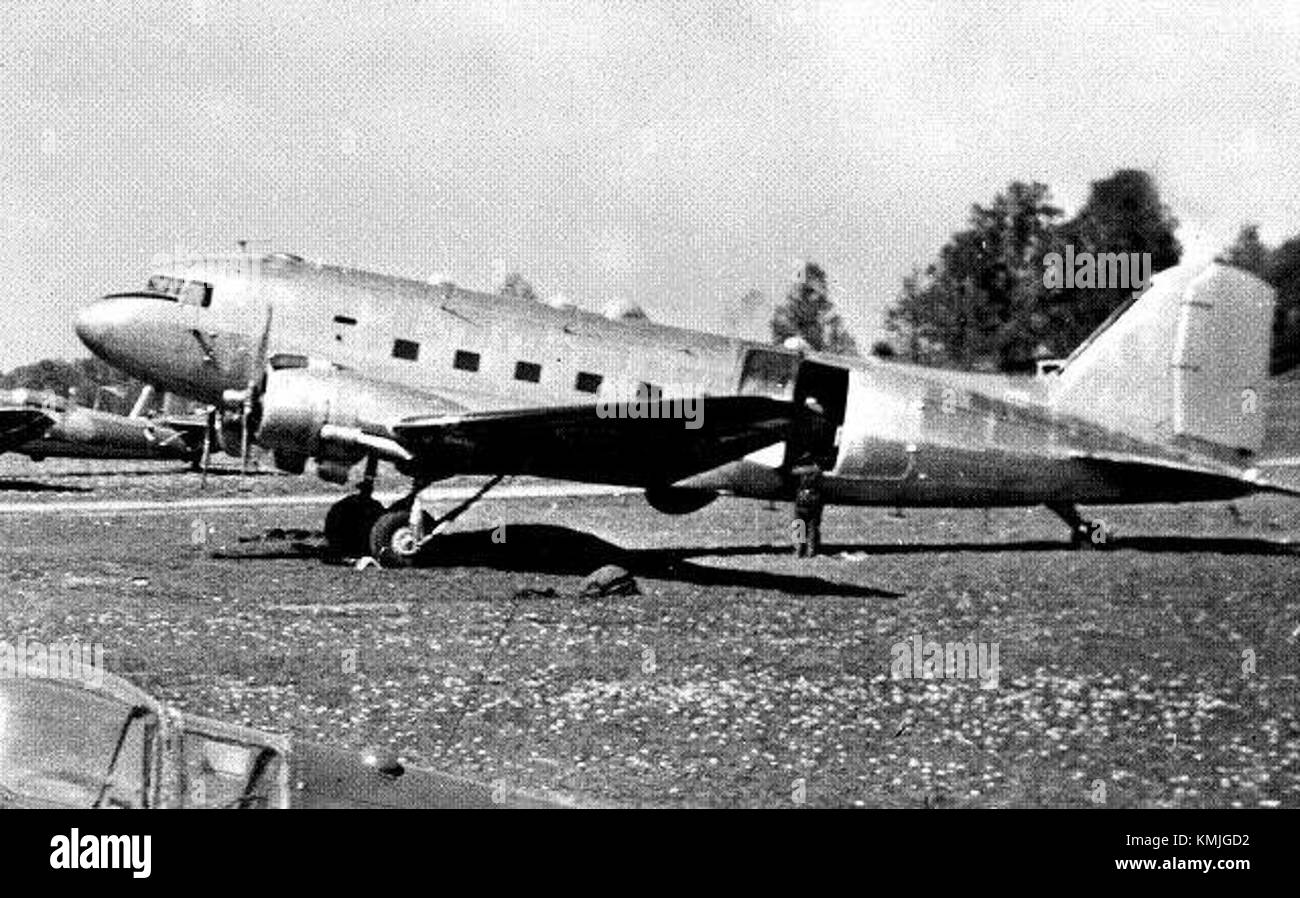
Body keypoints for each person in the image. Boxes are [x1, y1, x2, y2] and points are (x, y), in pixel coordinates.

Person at [791, 455, 824, 558]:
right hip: (814, 498)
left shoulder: (799, 471)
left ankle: (798, 550)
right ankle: (811, 551)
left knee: (799, 524)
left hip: (801, 498)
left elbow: (792, 472)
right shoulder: (817, 471)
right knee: (812, 526)